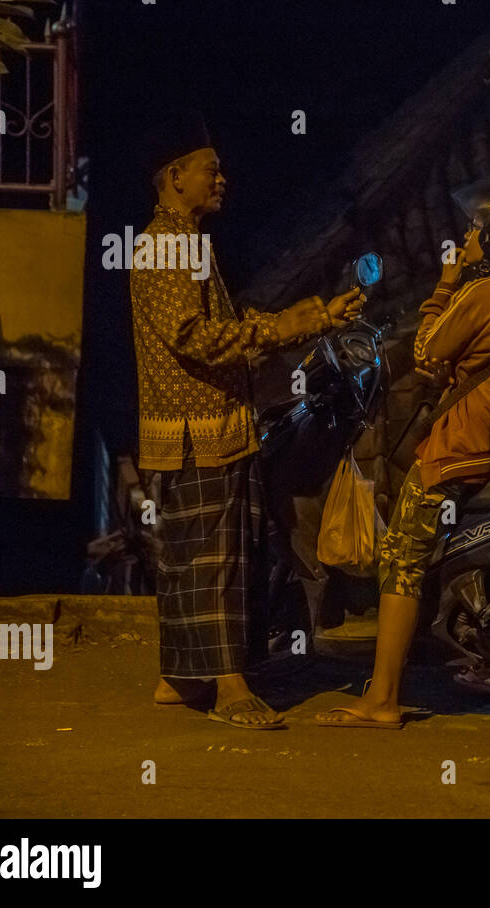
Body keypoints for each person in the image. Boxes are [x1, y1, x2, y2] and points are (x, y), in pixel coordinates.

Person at [131, 110, 365, 730]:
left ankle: (180, 677)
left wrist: (311, 318)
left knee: (201, 554)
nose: (222, 179)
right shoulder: (169, 244)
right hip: (198, 432)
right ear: (175, 177)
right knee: (217, 557)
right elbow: (196, 338)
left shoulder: (182, 242)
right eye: (210, 170)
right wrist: (289, 324)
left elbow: (214, 336)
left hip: (206, 429)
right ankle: (231, 686)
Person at [317, 176, 490, 729]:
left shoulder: (480, 292)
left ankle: (381, 699)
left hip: (465, 447)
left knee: (402, 558)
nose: (468, 238)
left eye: (478, 229)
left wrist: (447, 283)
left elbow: (428, 347)